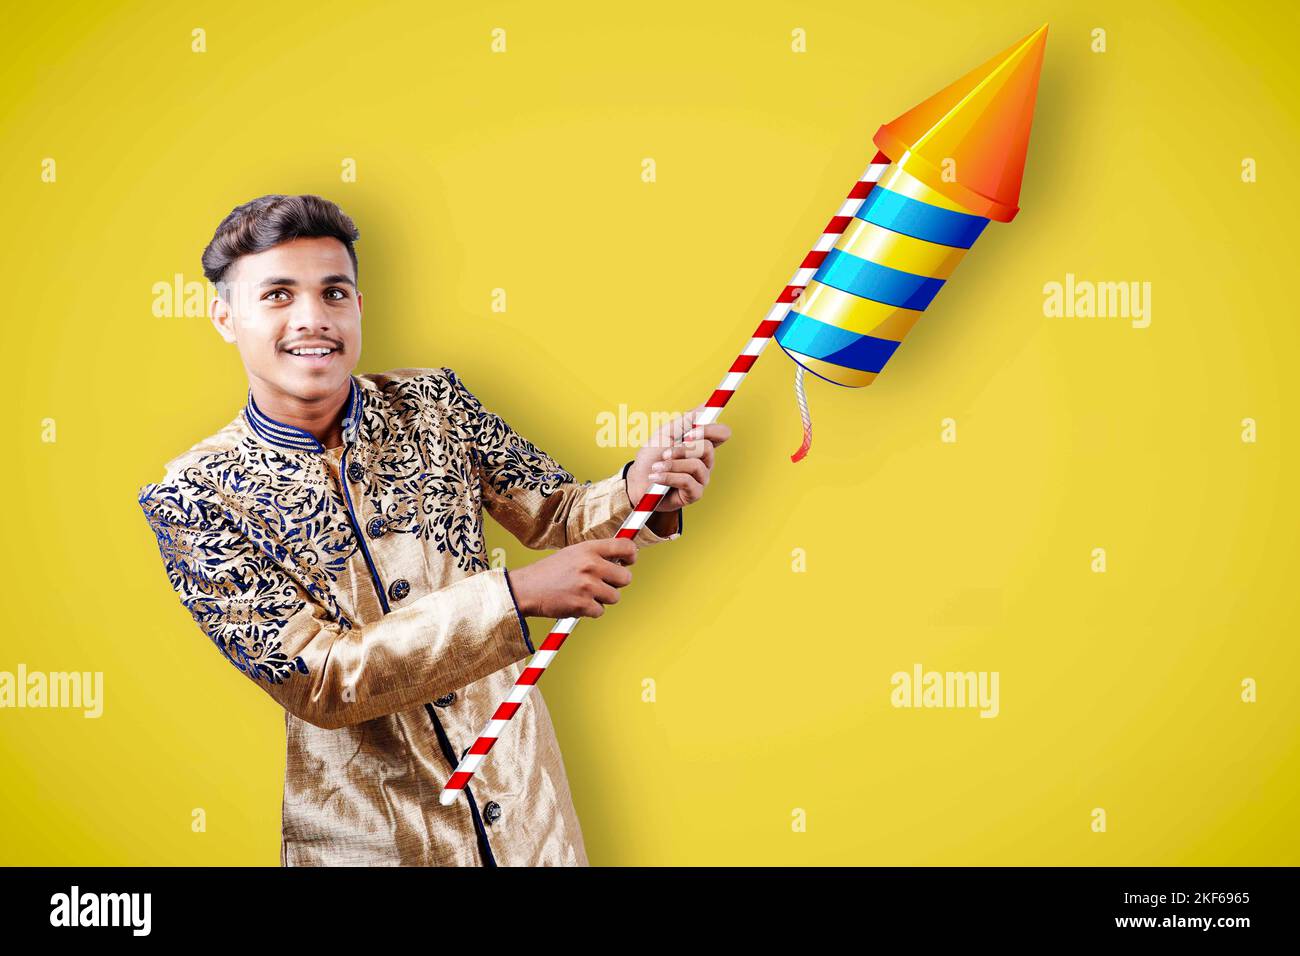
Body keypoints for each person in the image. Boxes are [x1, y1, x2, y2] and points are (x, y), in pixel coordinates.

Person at [137, 194, 730, 866]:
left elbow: (556, 511)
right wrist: (514, 597)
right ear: (224, 315)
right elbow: (321, 681)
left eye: (334, 292)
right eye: (277, 294)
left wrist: (638, 488)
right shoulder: (193, 500)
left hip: (529, 820)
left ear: (358, 306)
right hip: (368, 840)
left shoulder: (435, 402)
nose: (312, 319)